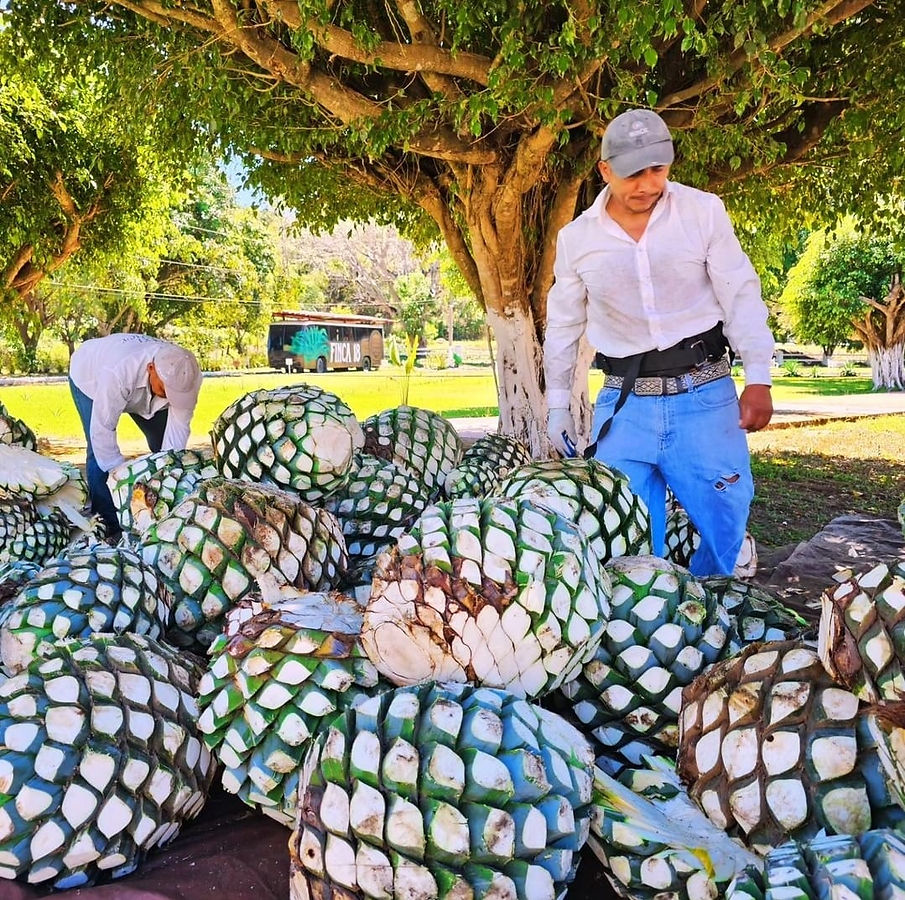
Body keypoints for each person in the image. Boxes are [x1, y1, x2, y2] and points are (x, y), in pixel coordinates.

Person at [543, 108, 774, 577]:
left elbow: (740, 292)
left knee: (725, 521)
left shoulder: (702, 211)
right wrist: (557, 405)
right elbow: (563, 324)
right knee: (624, 536)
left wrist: (759, 376)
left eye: (659, 168)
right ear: (605, 171)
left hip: (705, 397)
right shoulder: (577, 239)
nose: (649, 183)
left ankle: (711, 605)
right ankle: (644, 629)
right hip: (624, 408)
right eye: (635, 173)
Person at [69, 333, 203, 537]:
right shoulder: (117, 372)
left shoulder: (186, 376)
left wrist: (170, 473)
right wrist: (123, 482)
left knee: (163, 448)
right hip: (90, 376)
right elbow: (102, 431)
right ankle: (108, 523)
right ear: (151, 369)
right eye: (165, 389)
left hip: (138, 388)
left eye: (175, 393)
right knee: (97, 453)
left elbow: (177, 431)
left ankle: (164, 514)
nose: (170, 396)